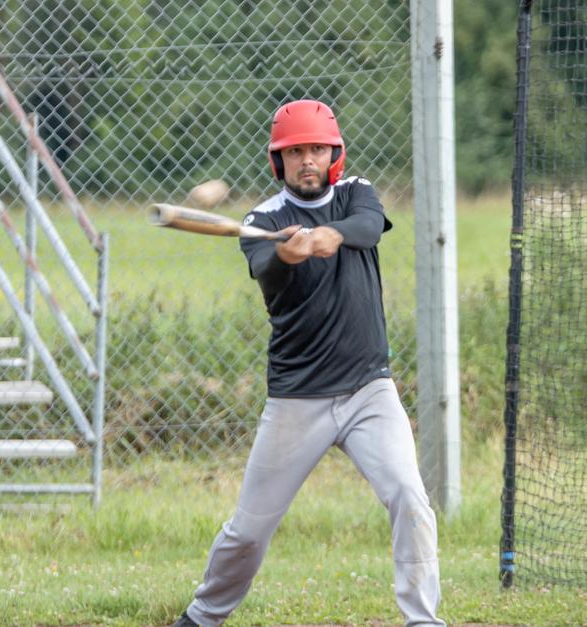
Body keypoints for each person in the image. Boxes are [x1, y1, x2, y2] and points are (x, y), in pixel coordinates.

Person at [173, 99, 445, 627]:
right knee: (248, 530)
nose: (307, 160)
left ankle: (423, 620)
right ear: (280, 161)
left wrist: (332, 234)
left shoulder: (354, 194)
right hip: (298, 399)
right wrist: (288, 255)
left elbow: (368, 225)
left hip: (369, 390)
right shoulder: (264, 220)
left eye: (316, 149)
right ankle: (202, 617)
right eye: (294, 151)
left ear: (334, 154)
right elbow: (267, 274)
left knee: (410, 497)